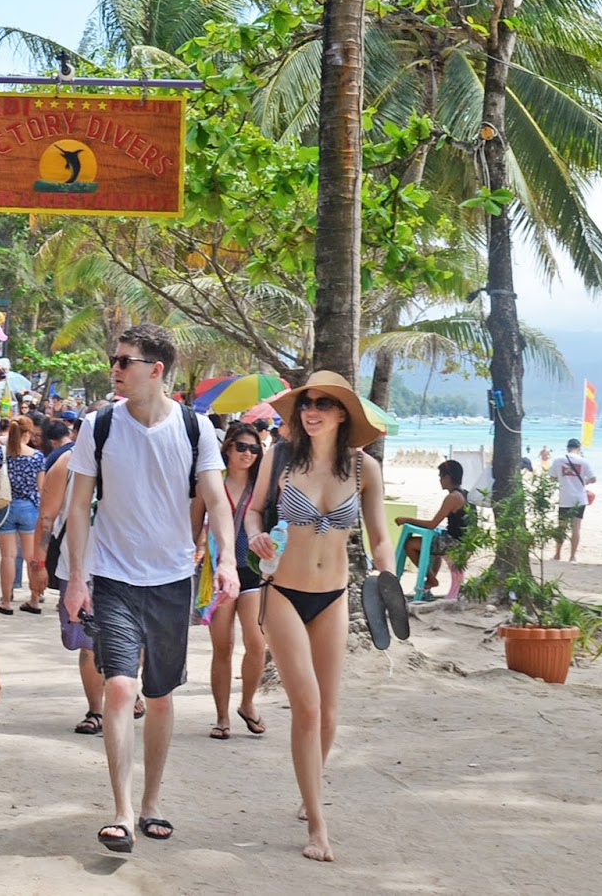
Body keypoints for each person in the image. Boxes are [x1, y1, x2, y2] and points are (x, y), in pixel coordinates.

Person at [61, 324, 237, 854]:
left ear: (156, 370)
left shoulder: (194, 427)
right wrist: (75, 576)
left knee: (159, 697)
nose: (115, 367)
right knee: (119, 686)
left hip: (172, 577)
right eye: (114, 359)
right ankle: (121, 813)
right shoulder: (99, 426)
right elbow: (77, 506)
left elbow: (217, 499)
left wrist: (227, 558)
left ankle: (152, 803)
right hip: (112, 575)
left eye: (125, 360)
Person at [242, 370, 396, 863]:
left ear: (343, 414)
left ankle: (308, 783)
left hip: (333, 597)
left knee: (329, 715)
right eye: (306, 403)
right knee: (306, 708)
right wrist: (254, 537)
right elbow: (252, 510)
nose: (311, 411)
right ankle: (318, 823)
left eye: (324, 405)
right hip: (282, 590)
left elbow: (379, 535)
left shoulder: (363, 470)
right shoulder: (280, 458)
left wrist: (387, 578)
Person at [201, 422, 269, 740]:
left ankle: (247, 703)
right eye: (241, 446)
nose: (248, 454)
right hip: (218, 572)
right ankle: (222, 716)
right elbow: (193, 525)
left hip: (254, 571)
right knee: (223, 647)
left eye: (254, 449)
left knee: (257, 644)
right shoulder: (212, 483)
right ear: (228, 447)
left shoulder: (264, 488)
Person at [38, 423, 106, 734]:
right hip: (77, 566)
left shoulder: (130, 460)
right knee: (88, 642)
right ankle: (96, 710)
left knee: (132, 639)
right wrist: (39, 562)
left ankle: (125, 691)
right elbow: (47, 515)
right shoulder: (67, 463)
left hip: (125, 567)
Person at [0, 416, 44, 615]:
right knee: (31, 557)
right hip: (30, 509)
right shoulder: (37, 457)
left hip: (5, 507)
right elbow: (42, 488)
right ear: (27, 434)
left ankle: (6, 601)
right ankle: (34, 600)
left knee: (8, 557)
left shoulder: (1, 453)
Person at [393, 459, 471, 601]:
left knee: (409, 544)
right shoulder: (465, 493)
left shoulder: (452, 497)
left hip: (455, 543)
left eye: (440, 477)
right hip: (463, 541)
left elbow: (432, 524)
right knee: (433, 546)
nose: (440, 481)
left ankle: (431, 579)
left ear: (447, 477)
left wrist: (407, 519)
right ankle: (429, 583)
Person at [553, 438, 597, 561]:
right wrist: (584, 481)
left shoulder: (558, 460)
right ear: (579, 448)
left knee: (561, 527)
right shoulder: (584, 462)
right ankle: (572, 556)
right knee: (576, 528)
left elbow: (551, 478)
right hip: (579, 498)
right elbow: (593, 478)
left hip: (564, 497)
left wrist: (563, 480)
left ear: (567, 447)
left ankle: (557, 554)